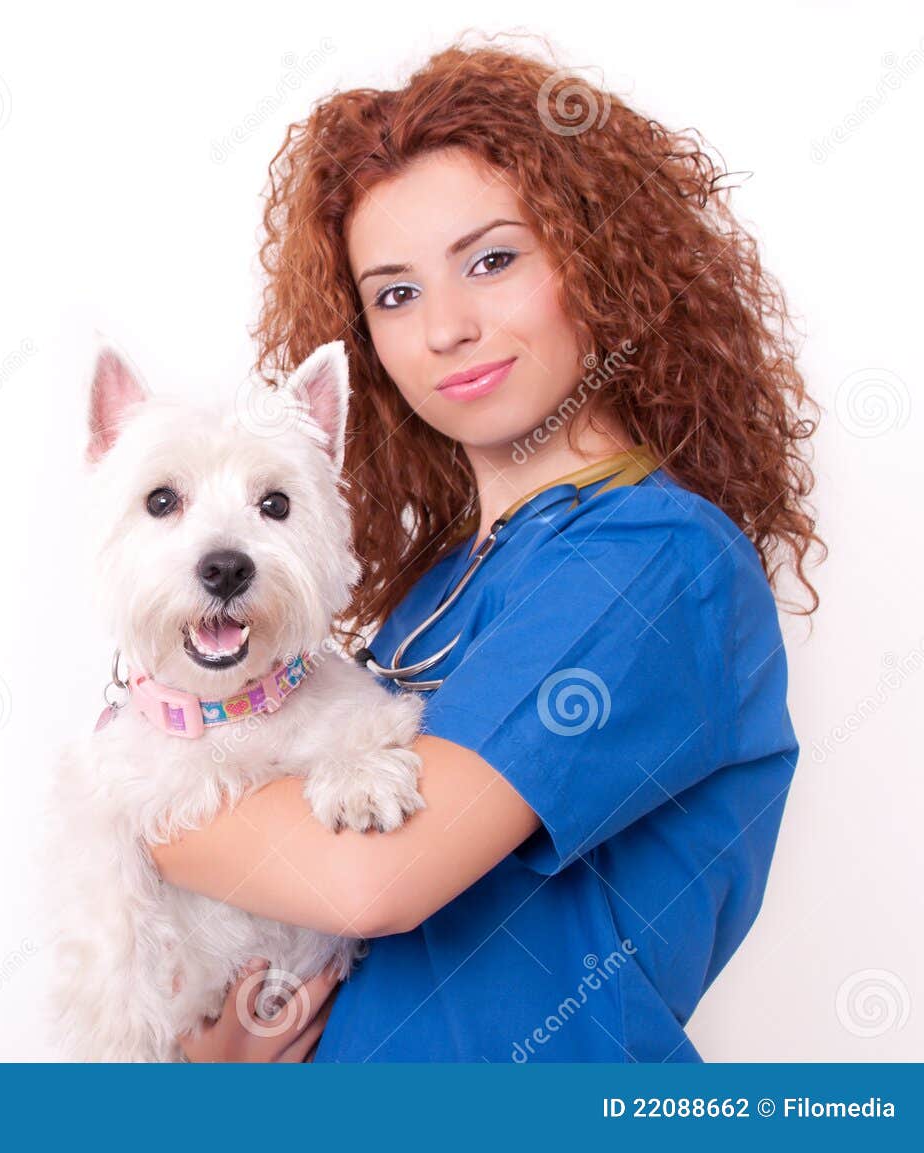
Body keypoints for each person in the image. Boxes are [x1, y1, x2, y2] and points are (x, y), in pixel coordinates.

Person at [152, 36, 823, 1063]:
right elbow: (317, 935)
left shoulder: (650, 560)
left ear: (595, 263)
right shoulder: (438, 588)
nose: (447, 328)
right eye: (395, 293)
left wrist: (135, 792)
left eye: (493, 260)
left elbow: (370, 878)